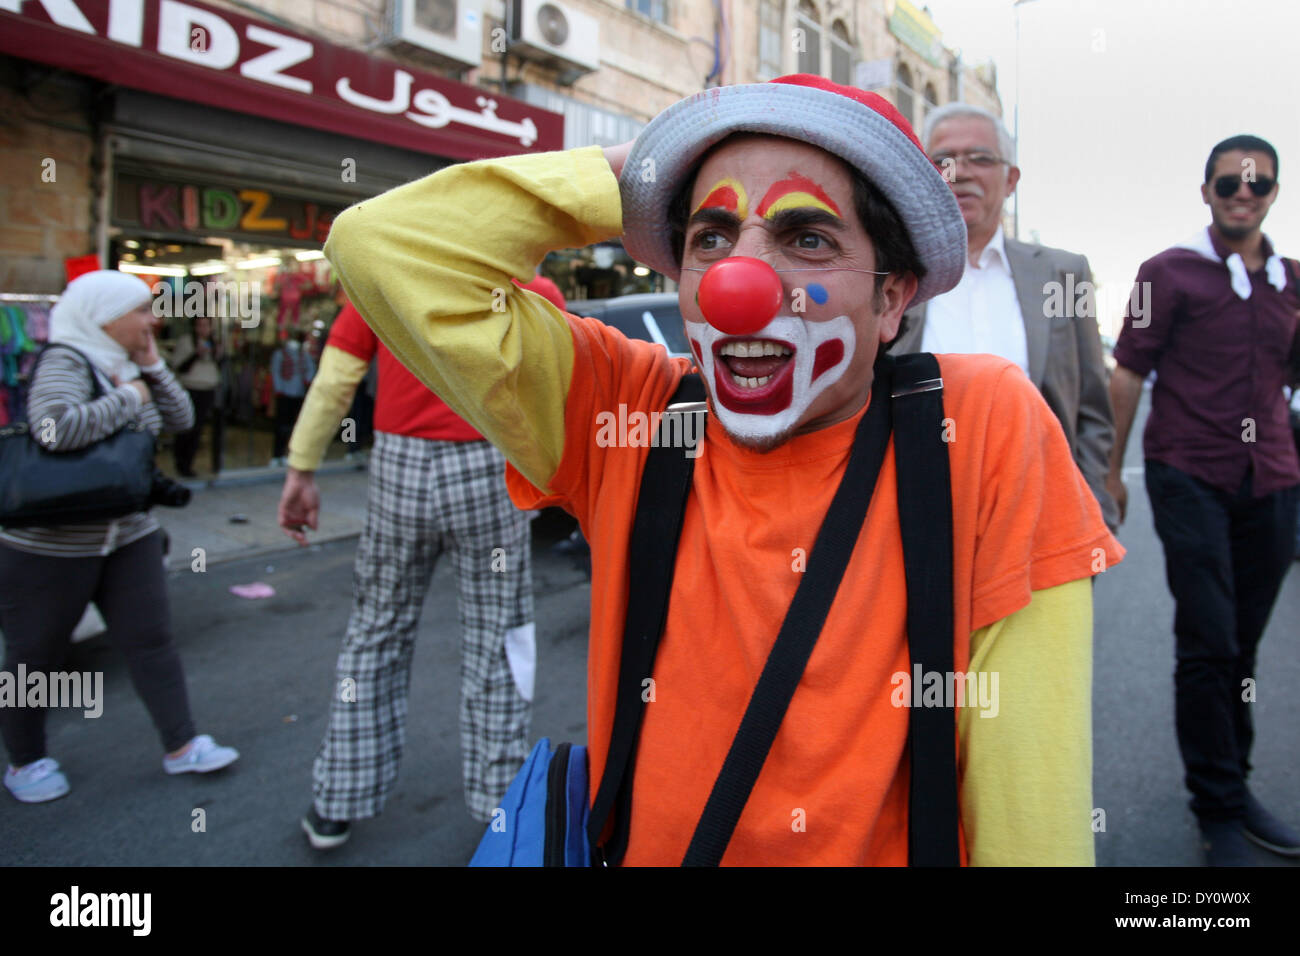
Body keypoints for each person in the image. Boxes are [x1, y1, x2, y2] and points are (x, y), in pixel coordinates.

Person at [323, 74, 1122, 865]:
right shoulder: (626, 413)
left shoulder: (981, 426)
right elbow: (378, 245)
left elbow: (1033, 819)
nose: (739, 286)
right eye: (710, 238)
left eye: (807, 237)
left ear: (891, 300)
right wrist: (637, 168)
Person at [277, 285, 557, 849]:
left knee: (376, 629)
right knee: (497, 636)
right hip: (491, 465)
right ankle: (499, 800)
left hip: (399, 465)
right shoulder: (529, 287)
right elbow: (556, 392)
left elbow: (335, 382)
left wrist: (302, 468)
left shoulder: (381, 277)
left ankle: (337, 801)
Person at [1107, 135, 1300, 866]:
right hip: (1189, 473)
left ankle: (1238, 787)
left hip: (1274, 481)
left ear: (1274, 191)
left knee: (1242, 647)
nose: (1242, 195)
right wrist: (1112, 471)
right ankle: (1216, 808)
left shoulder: (1292, 281)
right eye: (1228, 184)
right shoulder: (1168, 272)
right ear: (1207, 192)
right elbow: (1126, 374)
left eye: (1258, 184)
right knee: (1209, 642)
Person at [0, 270, 238, 804]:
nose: (152, 319)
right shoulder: (66, 358)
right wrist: (129, 399)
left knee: (151, 641)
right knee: (32, 656)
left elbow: (179, 418)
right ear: (105, 317)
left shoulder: (127, 365)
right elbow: (54, 429)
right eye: (141, 311)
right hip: (51, 545)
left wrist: (151, 369)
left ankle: (182, 746)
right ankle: (26, 762)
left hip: (127, 533)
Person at [891, 103, 1118, 529]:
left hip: (1042, 515)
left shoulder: (1063, 274)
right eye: (943, 160)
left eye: (981, 158)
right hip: (917, 514)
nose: (961, 172)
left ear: (1011, 178)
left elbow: (1092, 408)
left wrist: (1093, 510)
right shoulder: (894, 277)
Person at [169, 314, 223, 477]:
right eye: (200, 325)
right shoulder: (186, 341)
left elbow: (218, 365)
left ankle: (189, 462)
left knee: (198, 427)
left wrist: (217, 352)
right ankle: (181, 462)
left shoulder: (214, 343)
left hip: (208, 388)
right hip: (191, 387)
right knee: (187, 426)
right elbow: (179, 366)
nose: (203, 329)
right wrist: (196, 354)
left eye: (206, 325)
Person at [269, 329, 315, 466]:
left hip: (298, 394)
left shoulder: (303, 354)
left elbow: (310, 368)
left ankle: (288, 453)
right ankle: (277, 454)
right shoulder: (280, 354)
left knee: (294, 426)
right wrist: (279, 389)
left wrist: (307, 380)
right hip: (284, 394)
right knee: (281, 425)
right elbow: (275, 371)